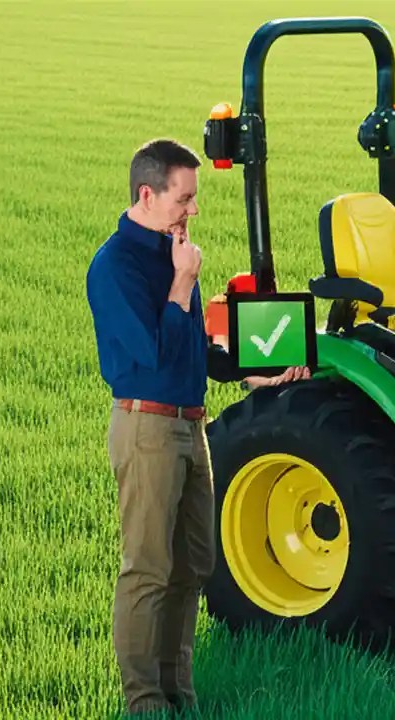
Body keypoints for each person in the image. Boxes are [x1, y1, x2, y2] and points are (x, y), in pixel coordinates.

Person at [85, 138, 309, 716]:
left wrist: (251, 377)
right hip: (147, 429)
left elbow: (194, 349)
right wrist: (182, 284)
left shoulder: (170, 252)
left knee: (194, 563)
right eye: (184, 199)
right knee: (148, 569)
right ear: (147, 194)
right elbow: (152, 354)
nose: (192, 211)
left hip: (191, 427)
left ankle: (177, 690)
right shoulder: (116, 266)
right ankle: (143, 701)